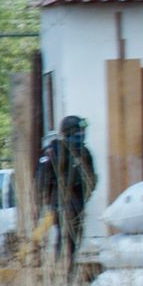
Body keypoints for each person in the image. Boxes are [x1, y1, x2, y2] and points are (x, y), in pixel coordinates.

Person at [37, 115, 98, 272]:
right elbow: (42, 178)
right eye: (78, 132)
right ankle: (60, 270)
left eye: (83, 131)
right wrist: (49, 202)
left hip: (78, 201)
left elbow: (91, 178)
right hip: (60, 200)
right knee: (64, 237)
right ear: (69, 133)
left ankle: (68, 272)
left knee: (75, 238)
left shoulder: (84, 152)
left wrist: (85, 194)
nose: (82, 135)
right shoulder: (53, 151)